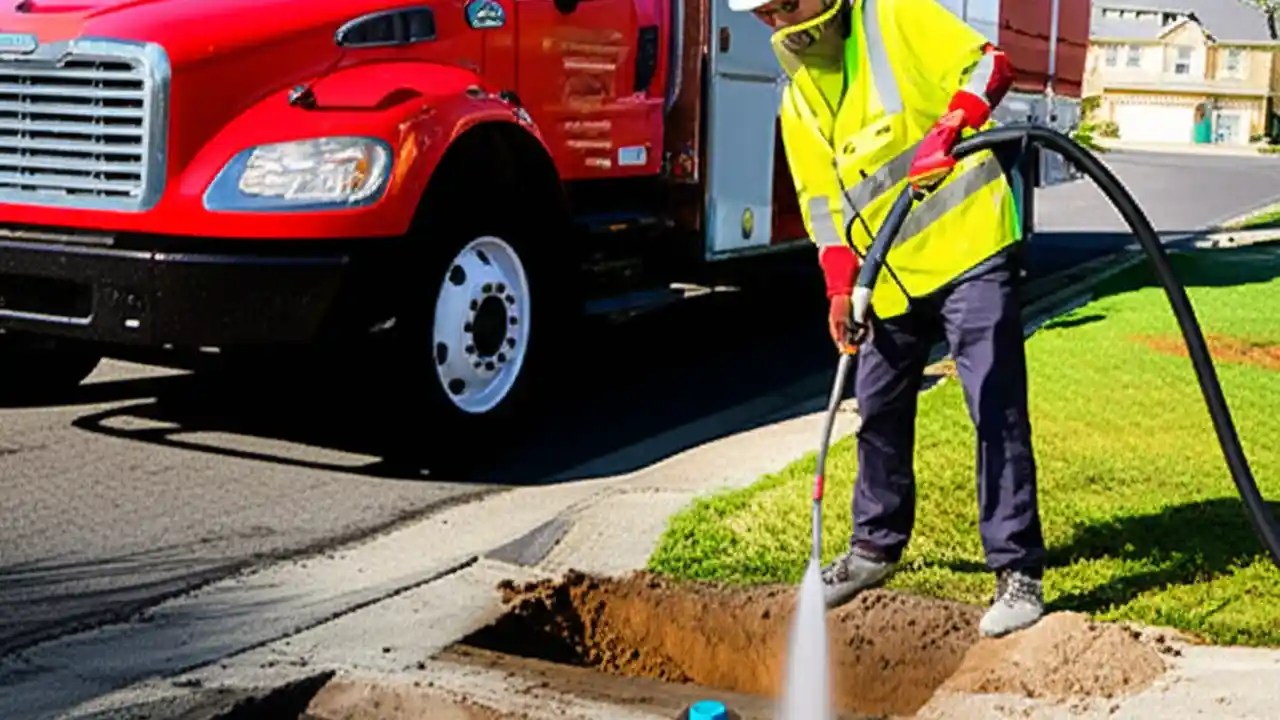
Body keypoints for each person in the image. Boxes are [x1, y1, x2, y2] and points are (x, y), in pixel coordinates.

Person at [729, 0, 1047, 637]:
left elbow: (990, 67)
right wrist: (840, 287)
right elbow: (823, 207)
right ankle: (874, 548)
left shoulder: (894, 16)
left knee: (993, 403)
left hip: (968, 251)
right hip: (890, 280)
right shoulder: (799, 99)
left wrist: (952, 125)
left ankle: (1018, 571)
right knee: (876, 407)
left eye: (787, 4)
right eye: (767, 13)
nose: (780, 21)